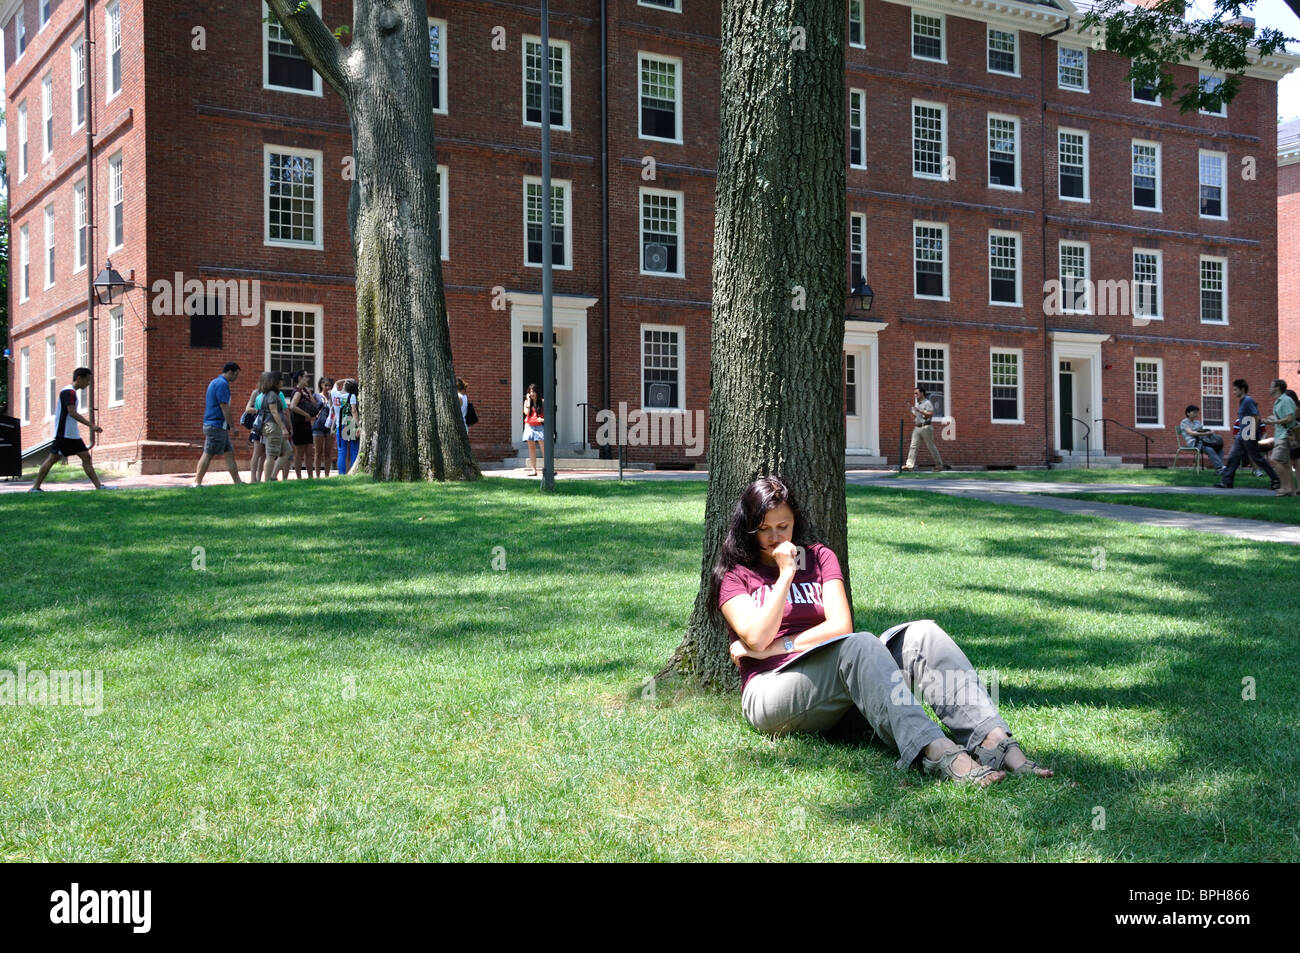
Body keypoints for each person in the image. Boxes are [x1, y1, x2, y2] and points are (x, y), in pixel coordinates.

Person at [716, 476, 1052, 786]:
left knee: (923, 634)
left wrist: (777, 647)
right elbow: (756, 637)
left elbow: (839, 627)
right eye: (764, 529)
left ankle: (994, 741)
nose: (776, 538)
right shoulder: (736, 575)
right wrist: (786, 575)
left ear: (795, 523)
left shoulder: (819, 558)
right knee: (858, 645)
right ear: (748, 529)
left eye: (783, 526)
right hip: (771, 692)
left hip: (838, 690)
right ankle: (939, 753)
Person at [29, 367, 107, 491]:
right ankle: (35, 487)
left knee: (86, 457)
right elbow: (72, 412)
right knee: (52, 459)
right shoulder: (68, 392)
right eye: (87, 380)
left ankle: (99, 487)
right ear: (79, 378)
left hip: (72, 435)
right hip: (64, 434)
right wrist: (91, 425)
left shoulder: (71, 392)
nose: (88, 383)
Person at [1215, 379, 1280, 490]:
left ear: (1242, 389)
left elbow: (1255, 416)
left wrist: (1252, 434)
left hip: (1249, 434)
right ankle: (1227, 482)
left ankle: (1276, 480)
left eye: (1235, 389)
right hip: (1242, 434)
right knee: (1233, 457)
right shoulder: (1242, 401)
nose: (1233, 392)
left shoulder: (1248, 400)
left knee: (1257, 458)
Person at [193, 362, 244, 487]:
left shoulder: (214, 382)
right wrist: (232, 427)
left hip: (216, 426)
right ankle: (196, 482)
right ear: (230, 372)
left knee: (229, 453)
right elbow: (224, 406)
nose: (236, 378)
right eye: (236, 375)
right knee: (208, 454)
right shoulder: (222, 384)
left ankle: (237, 482)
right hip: (216, 425)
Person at [254, 371, 294, 483]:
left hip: (274, 427)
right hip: (273, 427)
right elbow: (274, 412)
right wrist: (283, 428)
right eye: (281, 379)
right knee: (271, 455)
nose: (283, 381)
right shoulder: (271, 394)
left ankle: (272, 476)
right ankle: (267, 482)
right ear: (275, 381)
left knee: (287, 451)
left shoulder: (273, 394)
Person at [1261, 378, 1297, 497]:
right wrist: (1271, 419)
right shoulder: (1278, 401)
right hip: (1280, 435)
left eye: (1271, 386)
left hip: (1284, 435)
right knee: (1285, 463)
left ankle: (1285, 487)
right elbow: (1282, 417)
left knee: (1276, 460)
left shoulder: (1285, 400)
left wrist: (1273, 423)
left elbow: (1290, 418)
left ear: (1277, 388)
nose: (1269, 388)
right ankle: (1290, 489)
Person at [902, 386, 945, 472]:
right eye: (914, 393)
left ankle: (939, 465)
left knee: (931, 446)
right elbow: (914, 418)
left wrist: (919, 410)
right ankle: (909, 466)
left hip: (926, 427)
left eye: (916, 393)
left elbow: (930, 414)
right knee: (913, 446)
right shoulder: (918, 404)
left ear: (922, 393)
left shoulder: (927, 403)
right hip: (917, 427)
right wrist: (909, 411)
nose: (915, 395)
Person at [1177, 404, 1225, 473]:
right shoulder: (1184, 422)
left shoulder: (1198, 422)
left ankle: (1220, 469)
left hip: (1203, 441)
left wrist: (1209, 432)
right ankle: (1220, 467)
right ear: (1188, 413)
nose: (1196, 414)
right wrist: (1205, 433)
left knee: (1219, 448)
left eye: (1197, 412)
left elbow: (1202, 431)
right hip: (1193, 442)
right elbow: (1191, 433)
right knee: (1209, 449)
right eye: (1194, 412)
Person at [288, 370, 318, 479]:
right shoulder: (297, 392)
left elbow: (315, 404)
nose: (308, 379)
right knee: (299, 452)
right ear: (300, 378)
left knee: (309, 451)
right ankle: (299, 477)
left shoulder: (304, 391)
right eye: (306, 376)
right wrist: (306, 414)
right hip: (299, 425)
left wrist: (309, 393)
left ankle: (310, 477)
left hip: (306, 425)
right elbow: (292, 406)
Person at [243, 384, 267, 483]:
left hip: (267, 427)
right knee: (257, 453)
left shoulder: (271, 393)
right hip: (258, 427)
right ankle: (253, 479)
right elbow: (247, 409)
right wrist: (259, 410)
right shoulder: (256, 392)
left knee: (264, 455)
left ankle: (259, 478)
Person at [312, 376, 334, 478]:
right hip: (318, 426)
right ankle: (317, 475)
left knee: (328, 452)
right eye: (326, 385)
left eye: (329, 385)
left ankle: (327, 475)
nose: (328, 387)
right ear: (321, 385)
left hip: (329, 427)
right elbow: (313, 409)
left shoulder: (333, 397)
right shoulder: (316, 396)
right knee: (318, 452)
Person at [336, 379, 360, 475]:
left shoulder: (336, 396)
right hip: (349, 423)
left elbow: (335, 384)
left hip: (339, 425)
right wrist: (358, 426)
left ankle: (341, 473)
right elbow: (353, 411)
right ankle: (353, 472)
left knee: (342, 451)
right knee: (354, 449)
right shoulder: (352, 396)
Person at [521, 383, 545, 477]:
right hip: (529, 426)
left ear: (537, 392)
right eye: (530, 392)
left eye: (533, 391)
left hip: (539, 427)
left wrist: (542, 419)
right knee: (531, 449)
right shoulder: (527, 402)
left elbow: (549, 415)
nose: (532, 393)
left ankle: (548, 469)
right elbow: (526, 412)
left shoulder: (542, 402)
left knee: (544, 448)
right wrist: (528, 401)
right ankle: (533, 470)